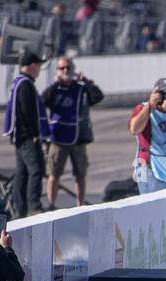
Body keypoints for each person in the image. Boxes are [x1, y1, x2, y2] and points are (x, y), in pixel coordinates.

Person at [42, 55, 104, 208]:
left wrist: (87, 82)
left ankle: (80, 204)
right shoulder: (54, 90)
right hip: (58, 137)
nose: (65, 70)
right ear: (57, 71)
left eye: (68, 67)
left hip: (78, 137)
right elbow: (41, 103)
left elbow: (98, 97)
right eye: (62, 68)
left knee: (80, 174)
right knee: (54, 173)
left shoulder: (81, 88)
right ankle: (51, 204)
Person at [4, 49, 45, 218]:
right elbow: (28, 112)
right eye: (38, 66)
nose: (39, 70)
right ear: (32, 66)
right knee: (36, 169)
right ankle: (33, 205)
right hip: (26, 135)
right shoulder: (25, 85)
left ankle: (19, 208)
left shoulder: (18, 82)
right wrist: (35, 134)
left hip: (19, 135)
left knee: (22, 171)